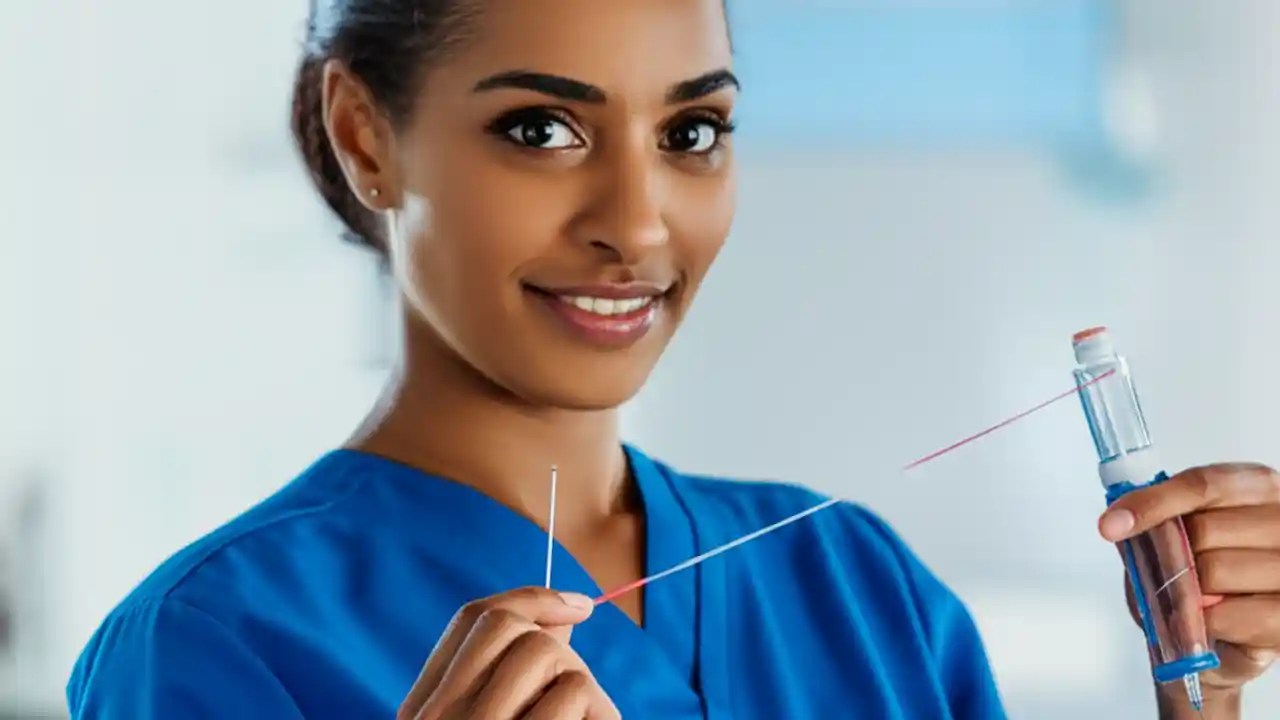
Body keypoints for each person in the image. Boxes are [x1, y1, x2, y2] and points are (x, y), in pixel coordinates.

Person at [66, 1, 1280, 718]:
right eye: (539, 129)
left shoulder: (855, 586)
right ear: (364, 137)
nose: (638, 223)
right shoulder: (208, 644)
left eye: (691, 131)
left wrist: (1202, 702)